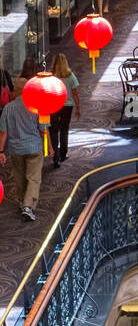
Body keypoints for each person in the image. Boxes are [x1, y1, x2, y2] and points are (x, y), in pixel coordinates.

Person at [0, 60, 53, 218]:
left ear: (15, 91)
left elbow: (3, 132)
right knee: (33, 178)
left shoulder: (8, 109)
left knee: (20, 177)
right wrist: (49, 147)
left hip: (16, 149)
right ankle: (28, 206)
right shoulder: (37, 105)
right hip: (34, 147)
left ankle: (23, 202)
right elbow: (44, 130)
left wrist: (1, 150)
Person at [49, 53, 80, 167]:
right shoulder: (70, 76)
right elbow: (75, 93)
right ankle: (63, 153)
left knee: (53, 130)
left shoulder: (51, 76)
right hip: (67, 106)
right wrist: (78, 108)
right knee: (64, 129)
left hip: (54, 106)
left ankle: (55, 156)